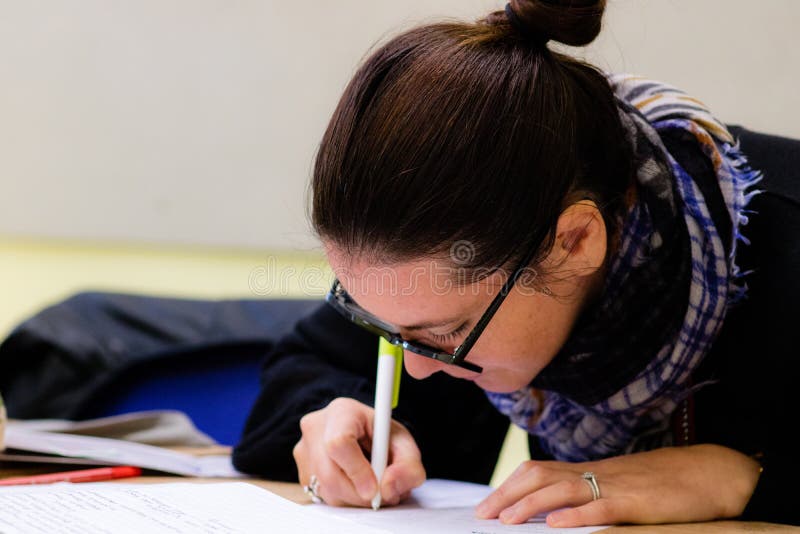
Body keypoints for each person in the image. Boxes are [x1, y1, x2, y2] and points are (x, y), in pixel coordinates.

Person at [233, 0, 800, 527]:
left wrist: (743, 478)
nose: (415, 369)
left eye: (446, 333)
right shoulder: (429, 270)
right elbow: (295, 383)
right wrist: (330, 421)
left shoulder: (783, 239)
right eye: (381, 324)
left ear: (576, 242)